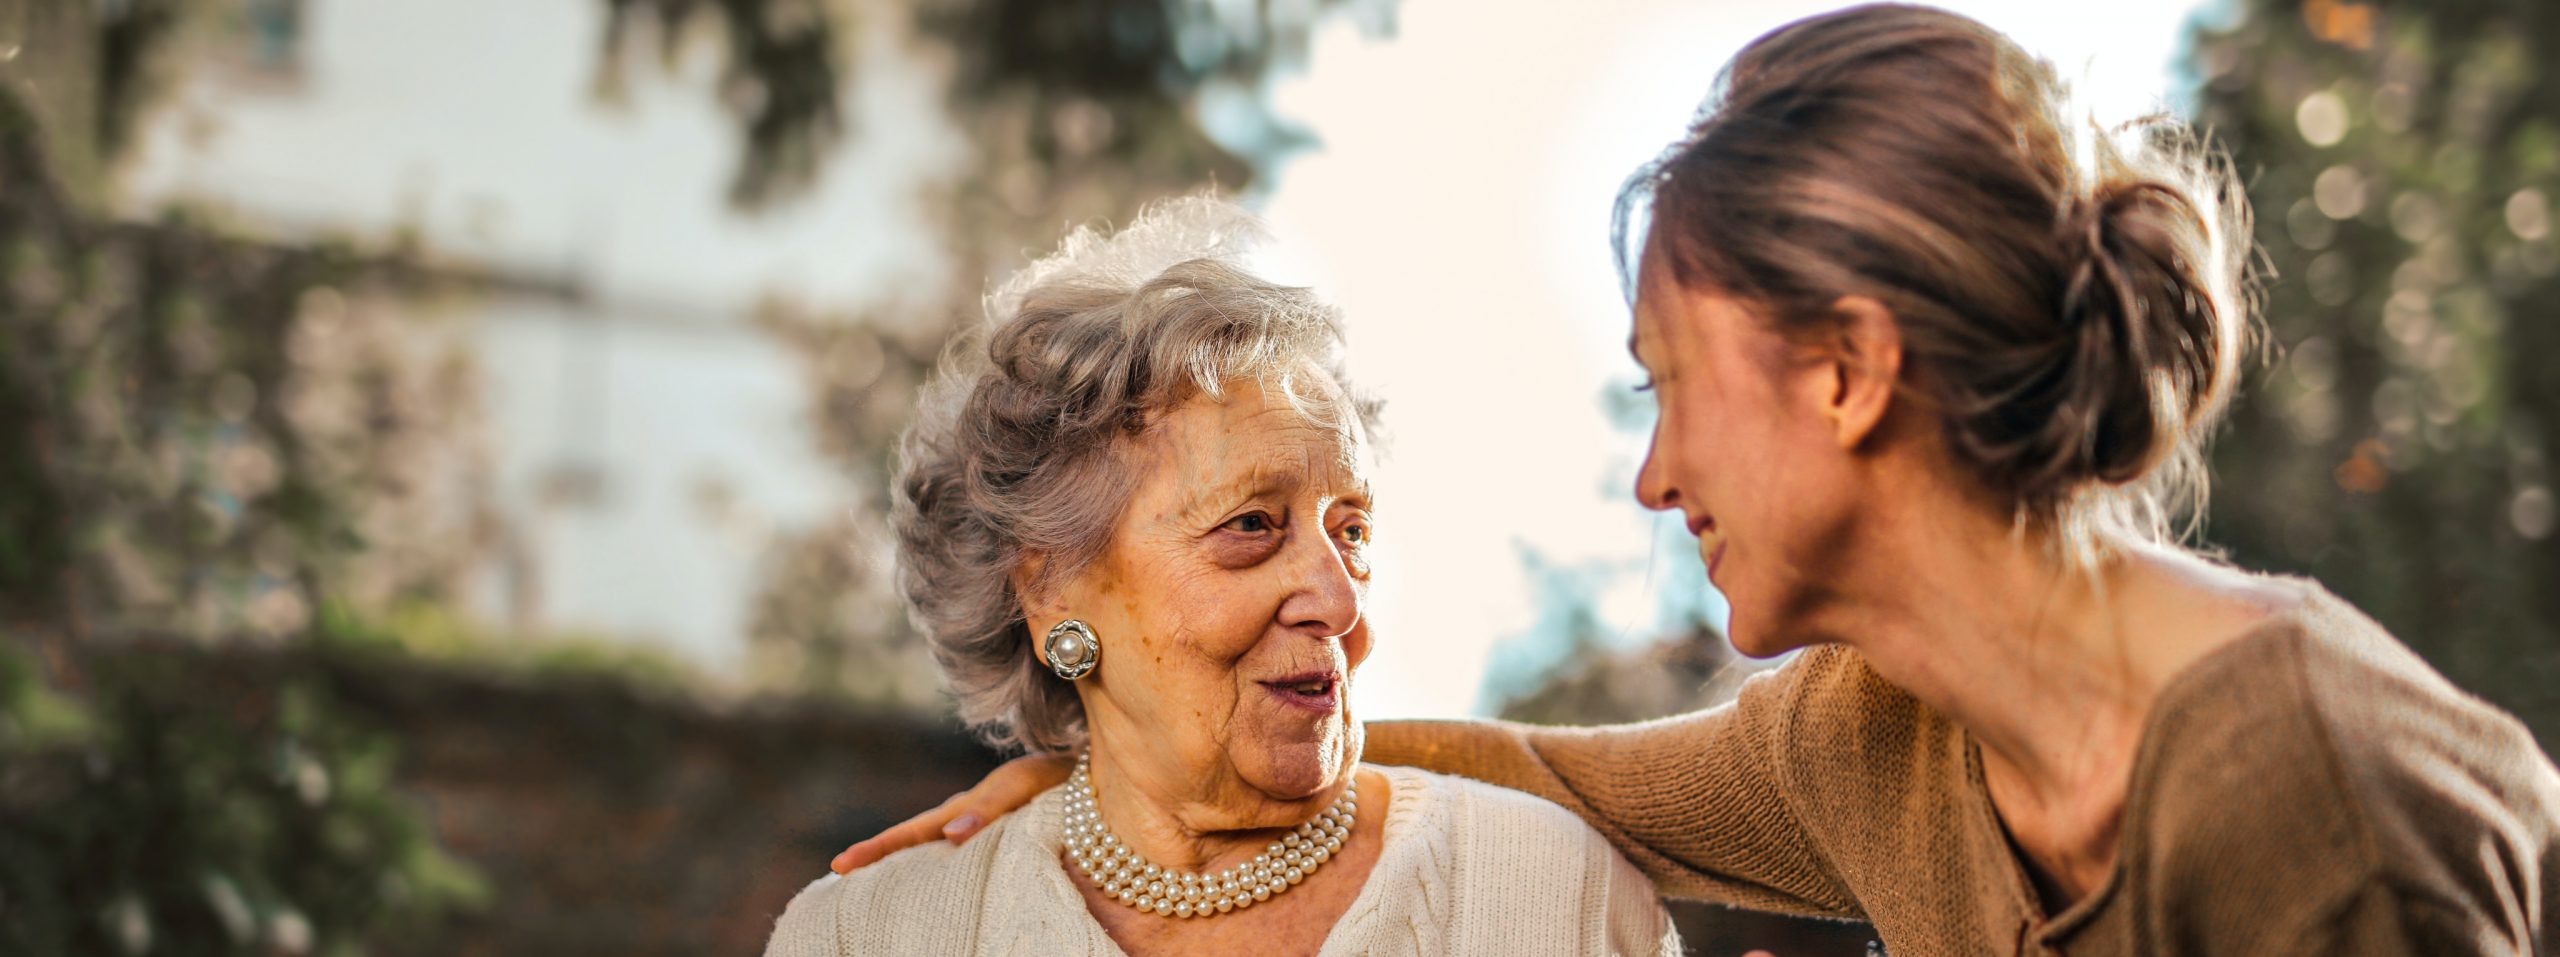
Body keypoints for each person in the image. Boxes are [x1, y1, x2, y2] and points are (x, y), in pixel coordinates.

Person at [827, 6, 2560, 955]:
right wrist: (1108, 766)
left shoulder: (2305, 800)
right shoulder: (1878, 737)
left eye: (1671, 388)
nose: (1654, 477)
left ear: (1847, 371)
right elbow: (1537, 770)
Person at [763, 196, 1678, 956]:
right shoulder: (865, 937)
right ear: (1051, 591)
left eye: (1350, 529)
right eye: (1251, 525)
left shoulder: (1562, 900)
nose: (1340, 599)